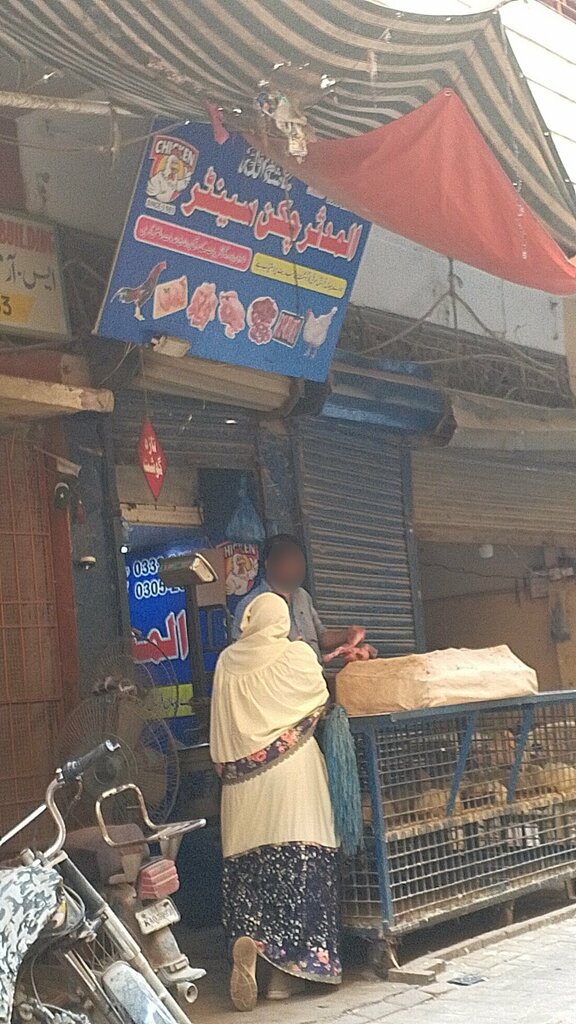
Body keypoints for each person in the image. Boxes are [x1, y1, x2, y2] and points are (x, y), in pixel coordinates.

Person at [210, 592, 341, 1011]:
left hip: (241, 792)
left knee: (252, 877)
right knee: (299, 869)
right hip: (291, 779)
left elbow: (219, 736)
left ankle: (253, 947)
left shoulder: (226, 662)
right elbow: (321, 698)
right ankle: (286, 977)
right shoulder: (297, 656)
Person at [232, 534, 376, 661]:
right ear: (269, 564)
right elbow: (244, 658)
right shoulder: (252, 604)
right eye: (286, 562)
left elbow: (321, 637)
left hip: (314, 680)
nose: (293, 567)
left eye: (297, 562)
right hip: (280, 686)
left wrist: (348, 634)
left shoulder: (303, 596)